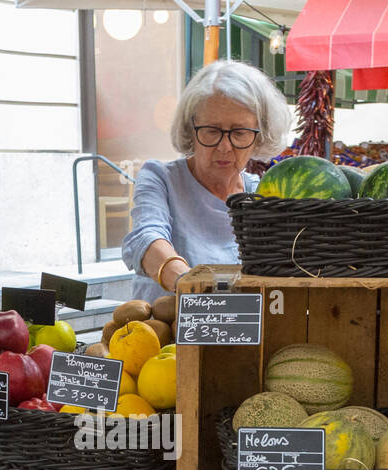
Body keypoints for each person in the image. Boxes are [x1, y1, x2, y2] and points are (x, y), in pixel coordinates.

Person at [121, 60, 290, 301]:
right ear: (191, 129)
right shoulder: (161, 179)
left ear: (259, 137)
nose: (224, 147)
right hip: (164, 335)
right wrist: (189, 286)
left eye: (239, 133)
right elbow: (146, 238)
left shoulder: (261, 194)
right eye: (211, 130)